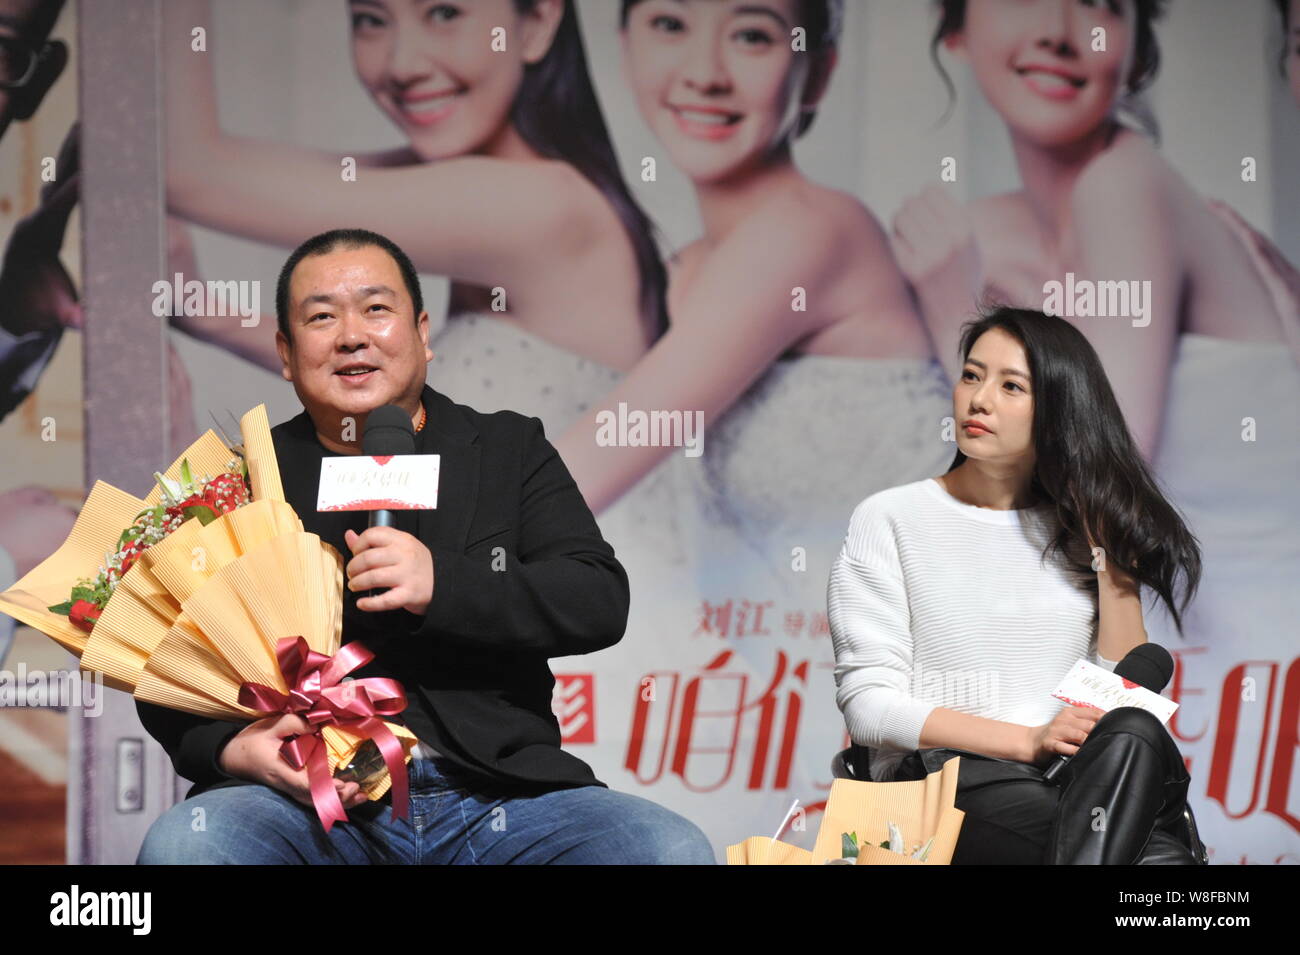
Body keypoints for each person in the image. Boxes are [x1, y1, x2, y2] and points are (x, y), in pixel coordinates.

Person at [134, 228, 716, 864]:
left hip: (500, 797)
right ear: (285, 351)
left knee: (669, 850)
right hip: (308, 804)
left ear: (423, 333)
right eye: (322, 316)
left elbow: (596, 597)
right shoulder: (243, 476)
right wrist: (228, 748)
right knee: (187, 847)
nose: (351, 335)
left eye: (376, 309)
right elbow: (164, 659)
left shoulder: (506, 449)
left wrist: (445, 582)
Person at [827, 306, 1202, 864]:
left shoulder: (1081, 537)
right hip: (944, 783)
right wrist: (1027, 740)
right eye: (972, 376)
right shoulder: (891, 518)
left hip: (1075, 781)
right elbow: (869, 707)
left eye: (1011, 387)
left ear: (1058, 411)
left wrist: (1110, 556)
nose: (979, 400)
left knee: (1132, 730)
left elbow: (1117, 697)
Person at [891, 0, 1294, 464]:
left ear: (1137, 52)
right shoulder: (978, 236)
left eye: (1098, 3)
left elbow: (1104, 488)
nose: (1055, 32)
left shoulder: (1124, 184)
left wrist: (957, 321)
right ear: (956, 31)